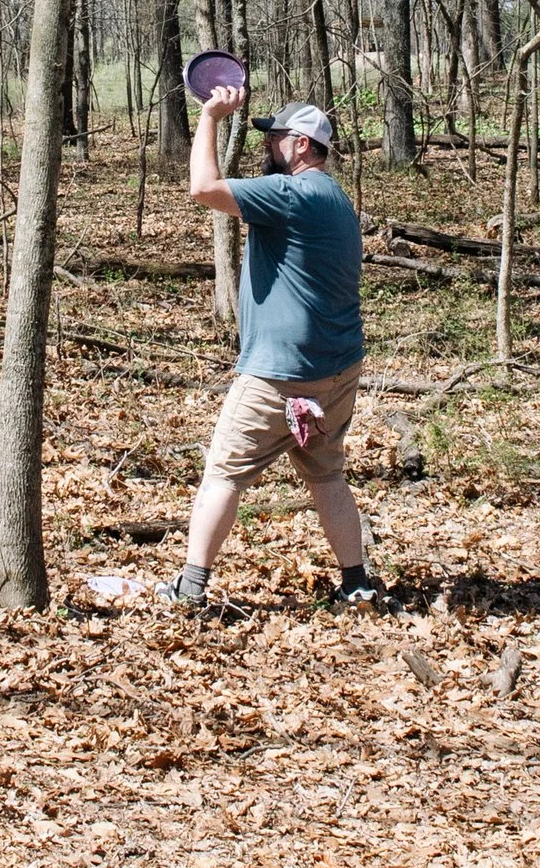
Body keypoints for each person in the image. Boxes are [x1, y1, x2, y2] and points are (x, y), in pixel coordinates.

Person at [157, 83, 388, 610]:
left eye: (276, 138)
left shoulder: (293, 195)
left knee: (223, 472)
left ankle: (190, 588)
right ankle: (355, 583)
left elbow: (202, 187)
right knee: (327, 472)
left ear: (302, 145)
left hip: (281, 373)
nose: (269, 146)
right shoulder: (335, 198)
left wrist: (211, 116)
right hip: (337, 370)